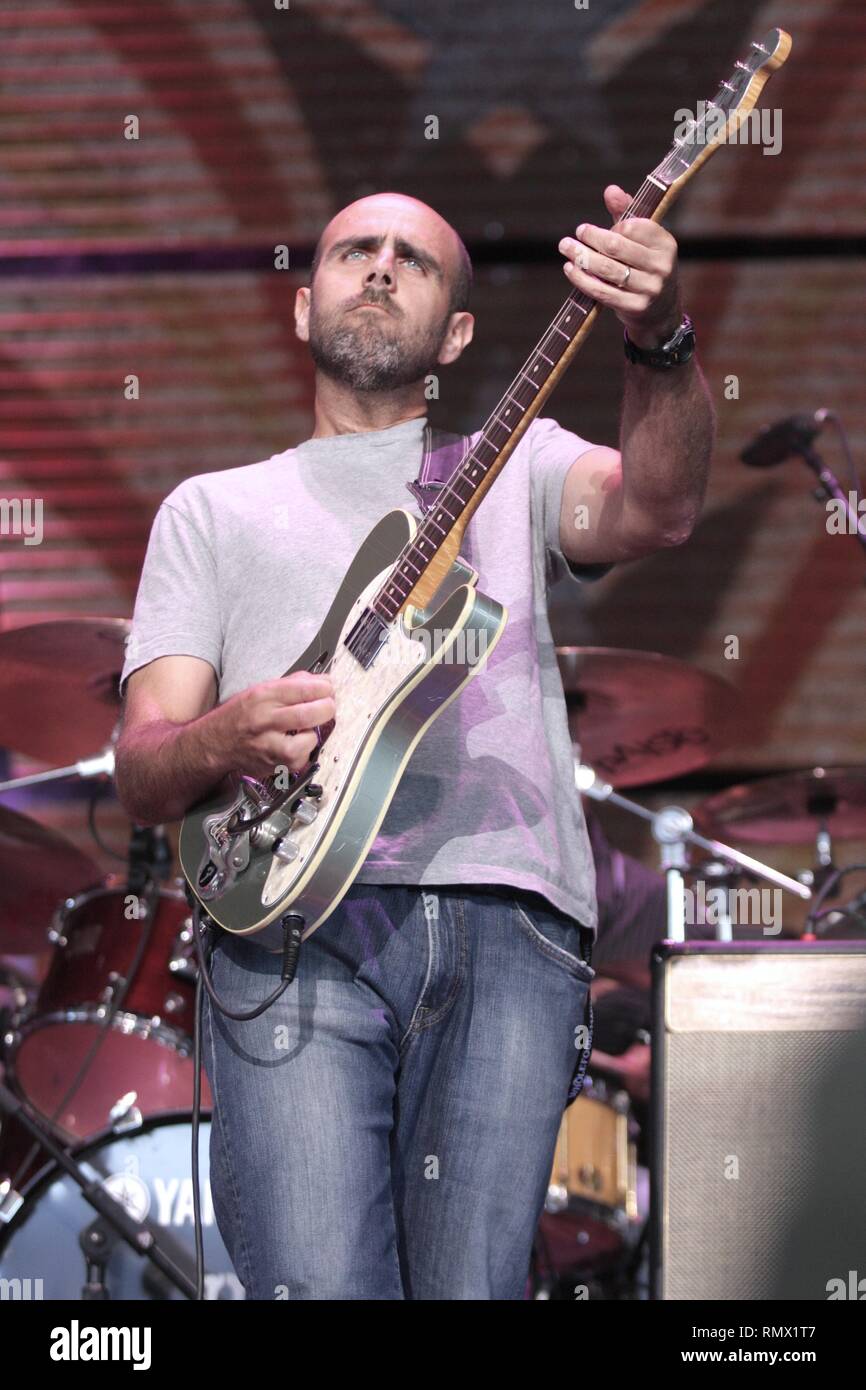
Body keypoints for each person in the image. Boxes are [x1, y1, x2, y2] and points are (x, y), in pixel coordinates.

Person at [115, 189, 714, 1299]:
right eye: (354, 250)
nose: (381, 267)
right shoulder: (210, 512)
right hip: (292, 932)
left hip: (508, 925)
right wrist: (221, 734)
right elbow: (143, 766)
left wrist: (657, 337)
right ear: (301, 308)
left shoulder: (518, 461)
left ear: (457, 335)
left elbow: (660, 508)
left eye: (415, 260)